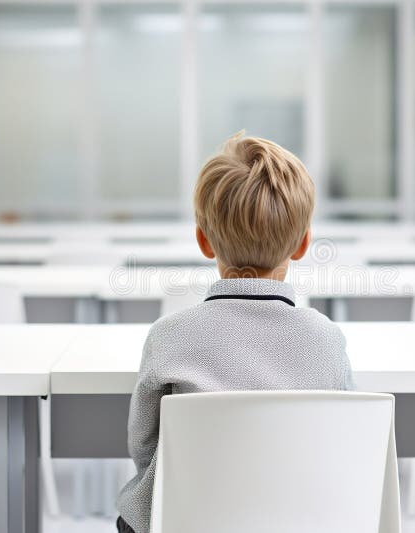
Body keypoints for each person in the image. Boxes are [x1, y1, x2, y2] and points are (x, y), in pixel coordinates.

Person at [115, 132, 355, 533]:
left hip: (185, 522)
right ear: (303, 244)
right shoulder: (327, 341)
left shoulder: (169, 337)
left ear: (204, 241)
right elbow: (338, 443)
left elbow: (143, 447)